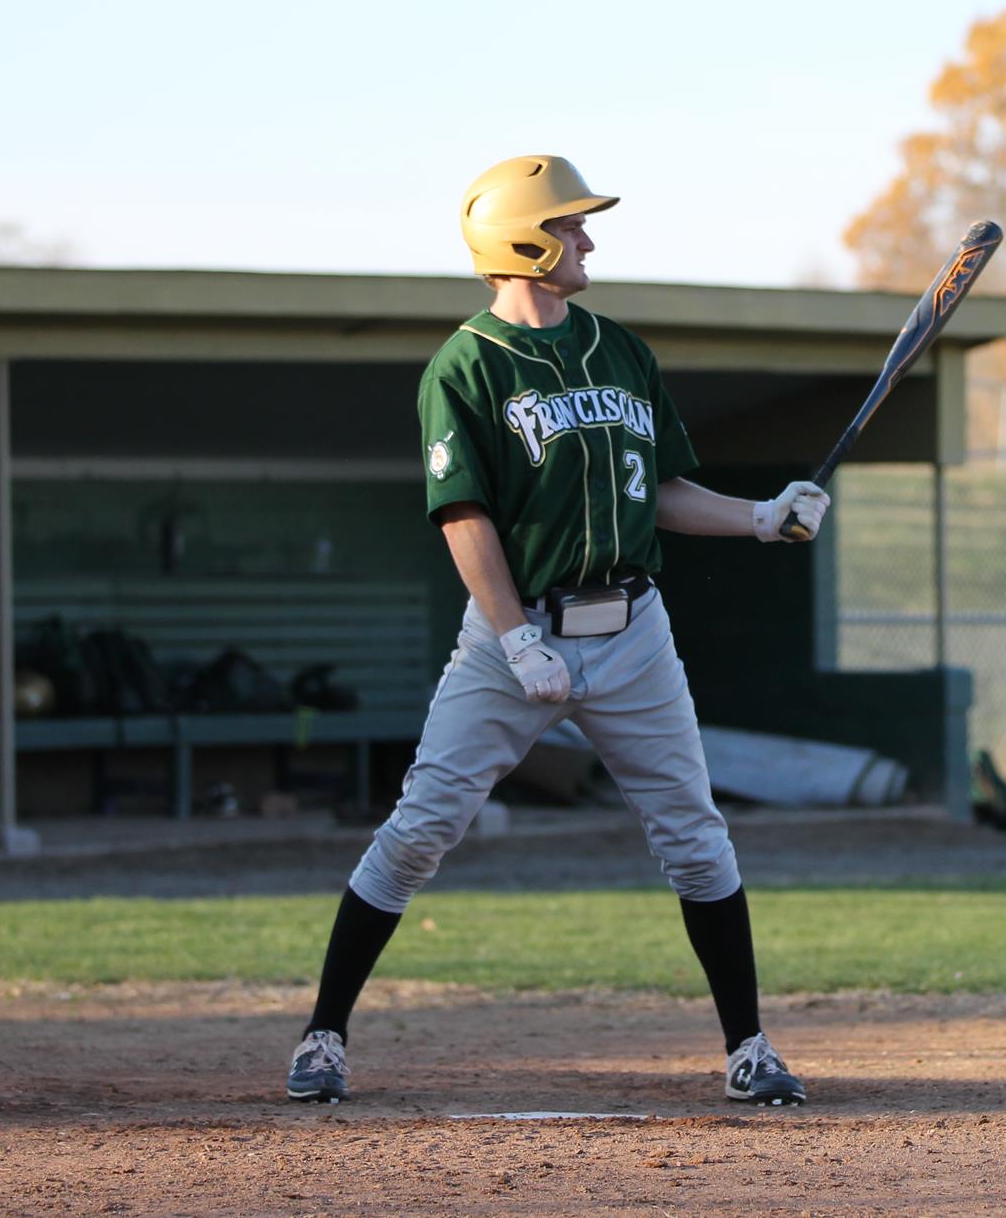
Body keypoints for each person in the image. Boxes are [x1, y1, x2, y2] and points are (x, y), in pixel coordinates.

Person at [285, 155, 828, 1108]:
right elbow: (465, 517)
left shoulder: (619, 349)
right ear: (525, 240)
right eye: (572, 226)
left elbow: (660, 491)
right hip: (515, 630)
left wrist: (758, 517)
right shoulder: (465, 365)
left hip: (634, 631)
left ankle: (748, 1047)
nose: (587, 239)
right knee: (421, 829)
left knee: (697, 837)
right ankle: (323, 1035)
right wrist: (513, 635)